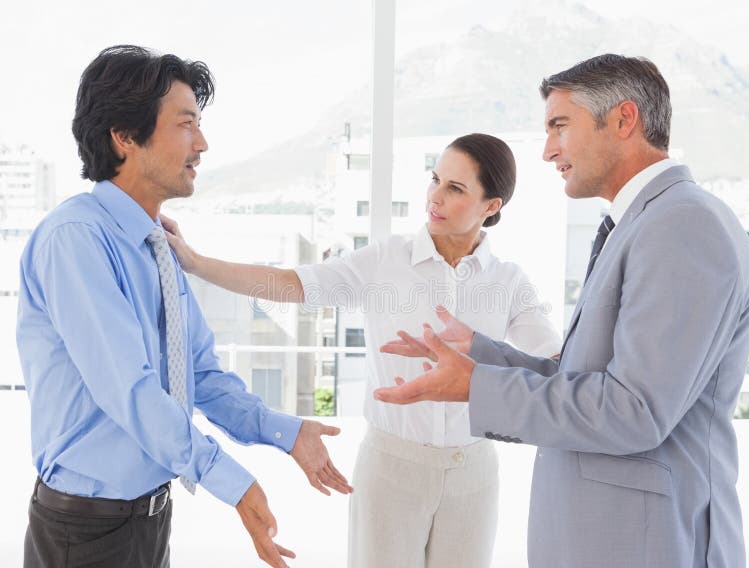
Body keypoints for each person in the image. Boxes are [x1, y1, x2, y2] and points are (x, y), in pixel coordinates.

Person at [375, 54, 749, 568]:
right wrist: (481, 357)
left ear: (624, 120)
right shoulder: (644, 223)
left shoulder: (683, 226)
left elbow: (634, 411)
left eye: (560, 126)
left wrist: (476, 385)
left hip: (644, 545)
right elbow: (589, 380)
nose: (547, 151)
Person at [17, 45, 352, 568]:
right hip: (83, 530)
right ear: (124, 137)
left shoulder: (160, 246)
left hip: (148, 519)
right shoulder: (76, 239)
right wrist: (231, 482)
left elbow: (197, 374)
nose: (203, 143)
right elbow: (131, 390)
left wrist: (285, 432)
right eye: (186, 124)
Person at [161, 132, 561, 567]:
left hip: (475, 473)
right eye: (435, 179)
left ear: (491, 206)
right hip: (392, 469)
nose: (435, 197)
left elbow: (554, 365)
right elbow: (293, 285)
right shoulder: (385, 260)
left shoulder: (508, 281)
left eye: (456, 188)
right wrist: (196, 263)